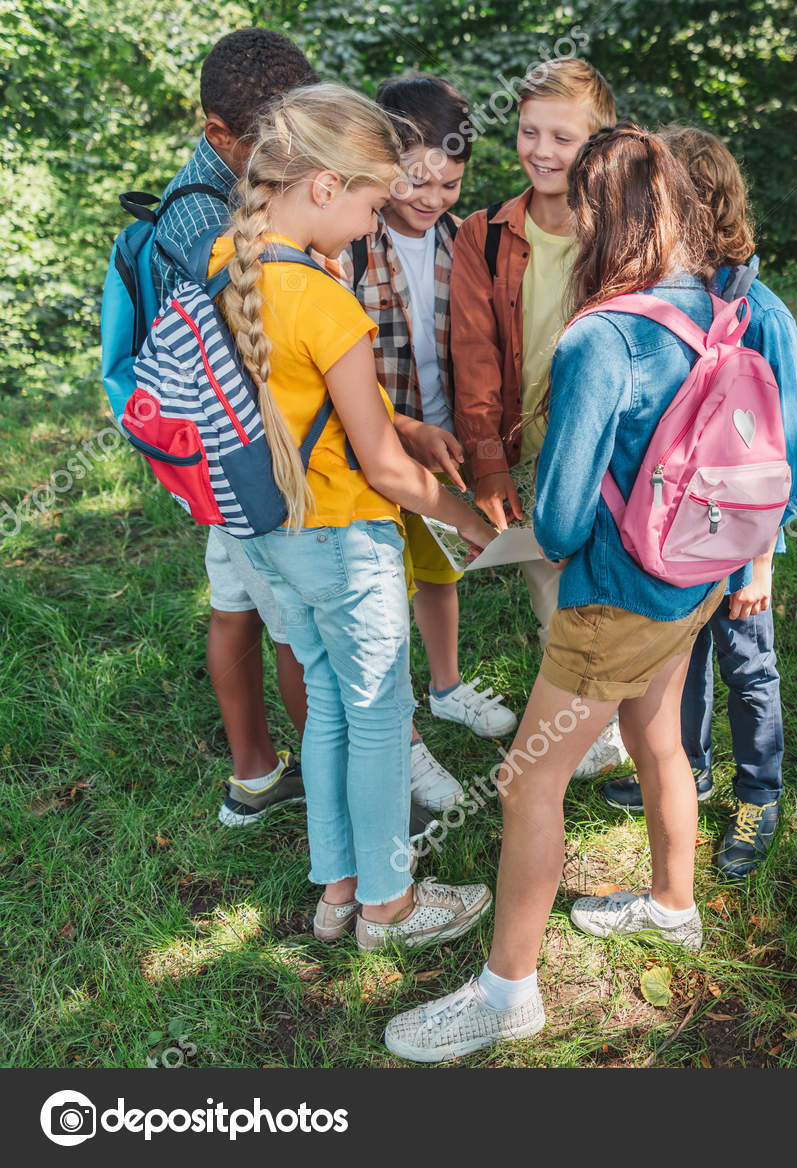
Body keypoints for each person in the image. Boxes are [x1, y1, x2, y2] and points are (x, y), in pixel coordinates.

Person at [385, 125, 727, 1060]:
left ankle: (507, 993)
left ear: (594, 216)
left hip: (615, 592)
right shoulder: (704, 303)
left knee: (526, 780)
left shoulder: (600, 336)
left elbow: (568, 521)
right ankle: (672, 904)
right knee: (659, 735)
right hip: (695, 571)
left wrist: (507, 523)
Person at [211, 83, 501, 949]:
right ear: (327, 186)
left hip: (264, 536)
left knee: (331, 708)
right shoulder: (326, 300)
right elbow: (383, 468)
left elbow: (304, 397)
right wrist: (476, 526)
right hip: (342, 536)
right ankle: (390, 906)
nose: (378, 224)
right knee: (377, 715)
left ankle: (336, 890)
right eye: (375, 203)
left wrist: (401, 420)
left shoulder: (229, 253)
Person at [601, 126, 797, 877]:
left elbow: (779, 455)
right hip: (675, 533)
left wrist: (759, 566)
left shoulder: (765, 317)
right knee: (679, 659)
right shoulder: (662, 306)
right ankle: (687, 768)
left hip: (742, 537)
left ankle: (760, 794)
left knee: (748, 665)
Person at [149, 27, 318, 828]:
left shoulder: (229, 183)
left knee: (236, 607)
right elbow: (252, 361)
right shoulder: (197, 225)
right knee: (293, 626)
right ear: (220, 133)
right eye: (274, 141)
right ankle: (333, 782)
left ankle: (253, 778)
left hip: (221, 463)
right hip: (248, 462)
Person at [341, 75, 521, 814]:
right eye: (415, 181)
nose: (431, 197)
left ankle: (445, 687)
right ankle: (403, 736)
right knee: (381, 592)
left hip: (440, 437)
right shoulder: (352, 242)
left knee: (436, 568)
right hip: (376, 445)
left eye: (449, 184)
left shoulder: (459, 239)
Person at [449, 58, 629, 779]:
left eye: (564, 135)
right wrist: (488, 461)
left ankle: (625, 713)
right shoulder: (484, 235)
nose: (544, 151)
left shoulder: (622, 229)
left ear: (599, 141)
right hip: (530, 446)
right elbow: (473, 353)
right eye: (530, 132)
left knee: (614, 579)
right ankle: (585, 724)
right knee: (551, 585)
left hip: (613, 441)